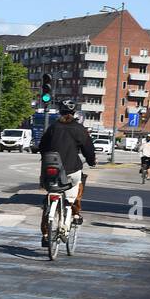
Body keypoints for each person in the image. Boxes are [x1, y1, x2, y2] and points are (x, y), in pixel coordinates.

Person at [36, 99, 96, 247]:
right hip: (71, 169)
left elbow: (42, 146)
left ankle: (45, 233)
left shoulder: (52, 127)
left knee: (49, 198)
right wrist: (91, 161)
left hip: (51, 170)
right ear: (74, 113)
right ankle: (75, 213)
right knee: (77, 186)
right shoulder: (79, 129)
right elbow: (88, 149)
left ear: (60, 112)